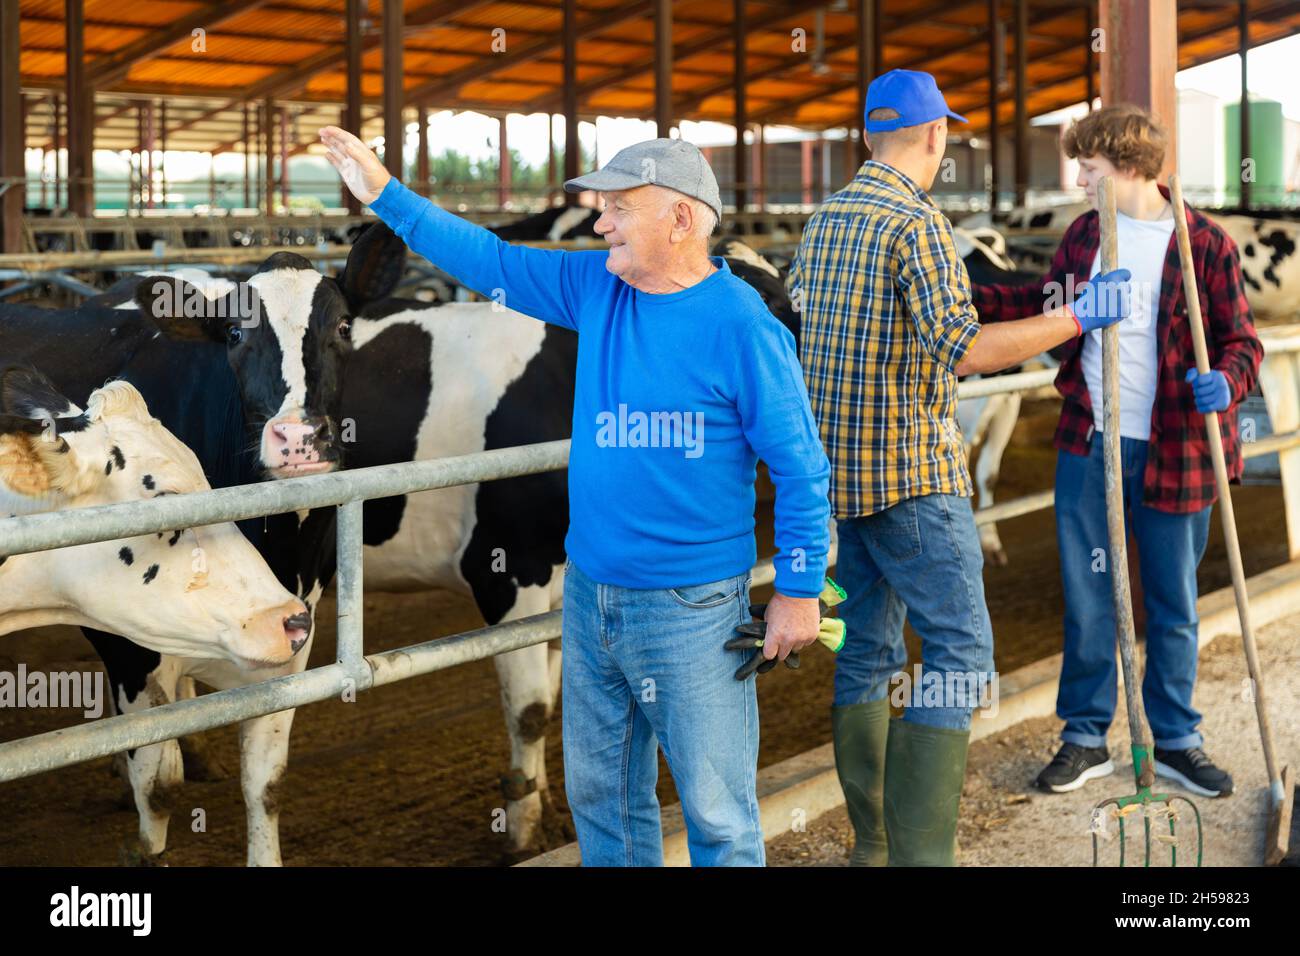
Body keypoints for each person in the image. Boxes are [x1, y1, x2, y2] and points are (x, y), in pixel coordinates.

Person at [320, 127, 832, 866]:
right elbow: (488, 260)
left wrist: (799, 589)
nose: (601, 222)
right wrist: (386, 196)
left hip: (692, 608)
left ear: (681, 220)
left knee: (718, 816)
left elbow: (802, 468)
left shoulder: (743, 328)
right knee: (604, 804)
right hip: (591, 596)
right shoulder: (598, 290)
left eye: (621, 207)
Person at [788, 68, 1133, 866]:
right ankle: (922, 857)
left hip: (841, 481)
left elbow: (809, 333)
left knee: (868, 654)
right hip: (913, 479)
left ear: (869, 136)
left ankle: (873, 849)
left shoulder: (824, 220)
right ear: (937, 135)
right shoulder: (918, 226)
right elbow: (966, 349)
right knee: (961, 654)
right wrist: (1077, 315)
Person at [971, 104, 1263, 798]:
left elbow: (1243, 340)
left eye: (1089, 168)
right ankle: (1084, 736)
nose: (1077, 179)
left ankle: (1177, 739)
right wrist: (961, 294)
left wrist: (1228, 380)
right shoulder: (1084, 238)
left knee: (1172, 600)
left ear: (1127, 169)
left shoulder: (1204, 244)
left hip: (1179, 449)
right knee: (1090, 596)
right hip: (1090, 443)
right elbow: (1040, 303)